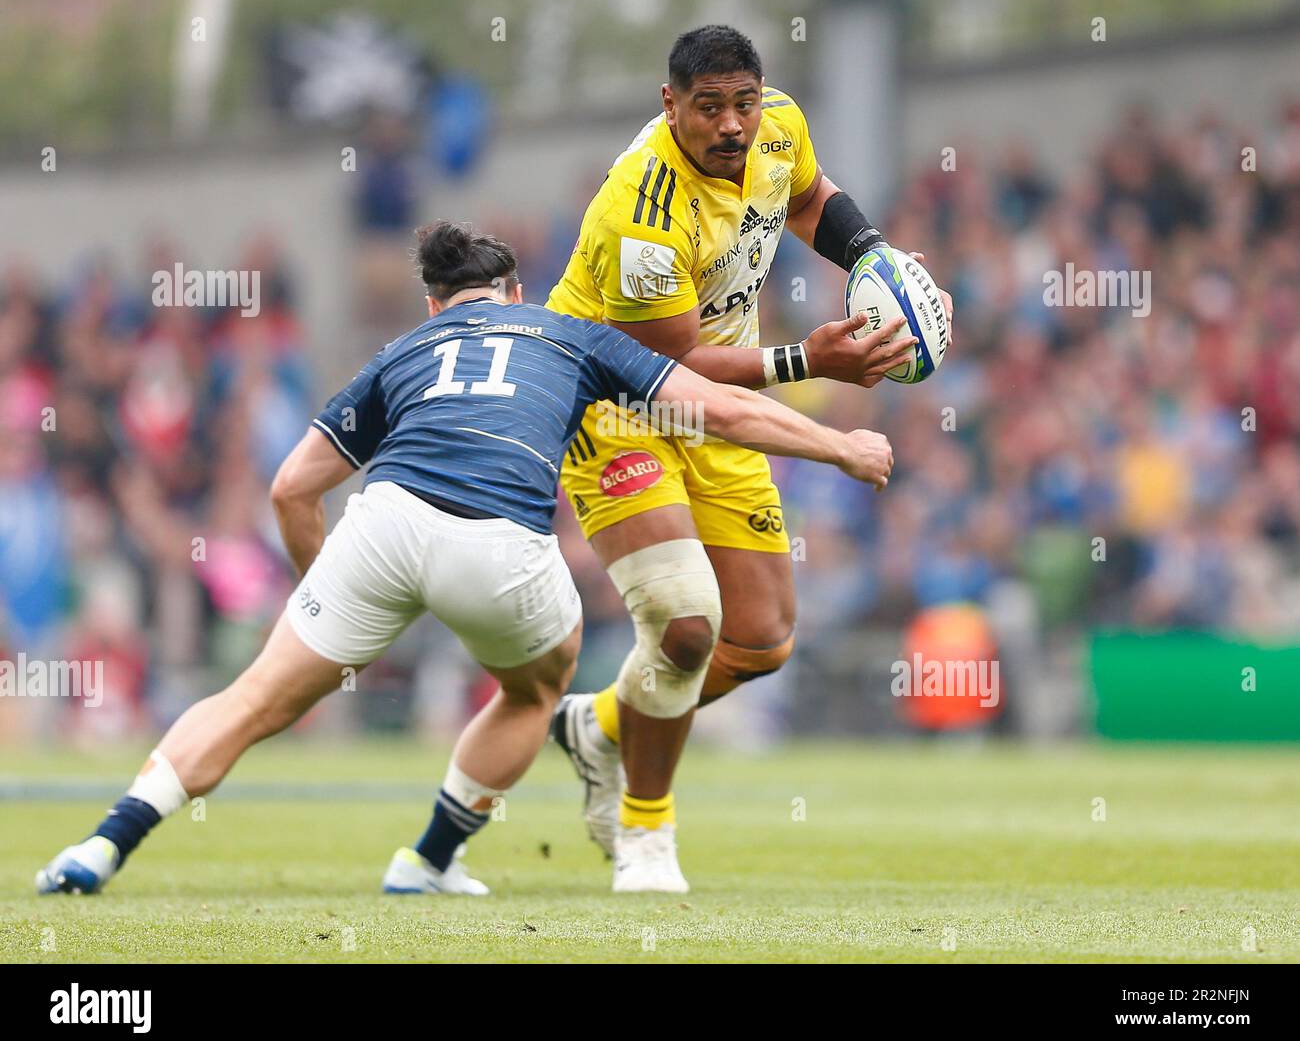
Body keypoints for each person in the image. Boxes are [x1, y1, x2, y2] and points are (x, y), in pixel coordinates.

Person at [36, 220, 898, 898]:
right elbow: (716, 409)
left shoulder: (402, 351)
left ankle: (103, 842)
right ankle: (430, 857)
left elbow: (292, 489)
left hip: (383, 524)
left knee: (251, 699)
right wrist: (839, 446)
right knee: (535, 687)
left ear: (433, 306)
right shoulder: (568, 332)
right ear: (516, 291)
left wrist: (326, 596)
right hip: (502, 544)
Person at [546, 24, 949, 891]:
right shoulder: (640, 210)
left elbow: (805, 201)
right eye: (708, 107)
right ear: (670, 105)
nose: (732, 124)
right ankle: (646, 832)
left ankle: (603, 723)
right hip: (614, 403)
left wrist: (871, 251)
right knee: (688, 625)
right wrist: (811, 361)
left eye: (744, 101)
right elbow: (669, 360)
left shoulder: (779, 126)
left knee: (761, 640)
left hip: (716, 408)